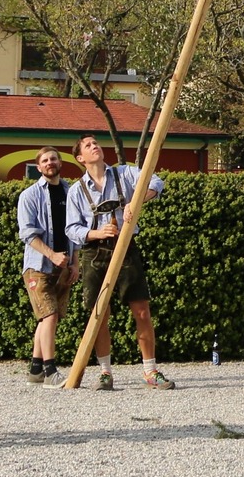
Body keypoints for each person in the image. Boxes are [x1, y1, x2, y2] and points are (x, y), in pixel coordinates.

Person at [66, 133, 170, 391]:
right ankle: (105, 373)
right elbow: (71, 228)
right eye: (88, 145)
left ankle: (150, 370)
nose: (95, 146)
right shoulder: (76, 190)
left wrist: (138, 199)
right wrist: (96, 233)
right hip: (95, 253)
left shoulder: (124, 174)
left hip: (126, 249)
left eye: (95, 143)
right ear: (80, 158)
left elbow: (156, 180)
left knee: (142, 310)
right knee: (99, 314)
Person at [17, 147, 75, 385]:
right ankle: (51, 371)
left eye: (53, 159)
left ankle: (35, 370)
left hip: (63, 266)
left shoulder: (70, 193)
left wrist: (75, 263)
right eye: (45, 160)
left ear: (60, 163)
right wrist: (52, 256)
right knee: (49, 315)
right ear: (38, 167)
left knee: (47, 319)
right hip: (38, 266)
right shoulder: (29, 196)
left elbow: (75, 230)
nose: (50, 163)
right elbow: (28, 234)